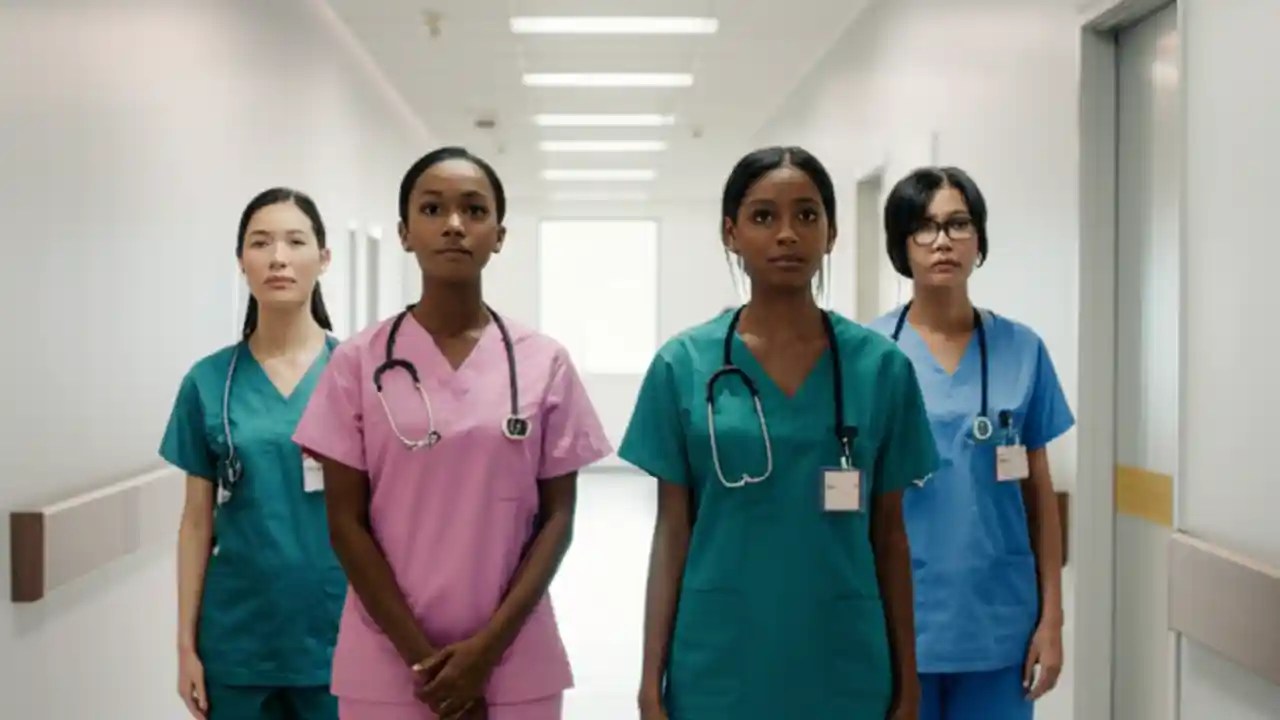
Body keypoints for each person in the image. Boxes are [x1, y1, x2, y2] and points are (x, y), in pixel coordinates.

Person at [292, 146, 612, 720]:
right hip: (388, 661)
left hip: (514, 658)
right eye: (433, 209)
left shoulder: (545, 362)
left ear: (500, 233)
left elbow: (559, 518)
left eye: (474, 210)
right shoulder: (358, 363)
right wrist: (428, 665)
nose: (455, 225)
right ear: (405, 232)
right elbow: (345, 522)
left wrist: (485, 655)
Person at [620, 146, 940, 720]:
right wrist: (650, 682)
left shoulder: (881, 368)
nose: (787, 234)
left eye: (807, 215)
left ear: (832, 233)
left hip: (844, 658)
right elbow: (672, 531)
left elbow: (892, 537)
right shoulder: (683, 365)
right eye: (764, 216)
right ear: (731, 233)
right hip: (720, 658)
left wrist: (908, 683)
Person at [869, 167, 1075, 720]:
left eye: (958, 224)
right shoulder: (869, 354)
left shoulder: (1022, 349)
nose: (942, 241)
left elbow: (1040, 502)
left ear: (978, 238)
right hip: (895, 624)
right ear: (900, 245)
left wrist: (1052, 619)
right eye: (924, 227)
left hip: (998, 627)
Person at [162, 187, 345, 720]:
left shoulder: (359, 376)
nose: (278, 257)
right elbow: (196, 523)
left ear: (323, 258)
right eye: (260, 243)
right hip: (238, 643)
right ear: (242, 261)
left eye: (295, 241)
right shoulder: (208, 381)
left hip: (339, 632)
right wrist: (184, 645)